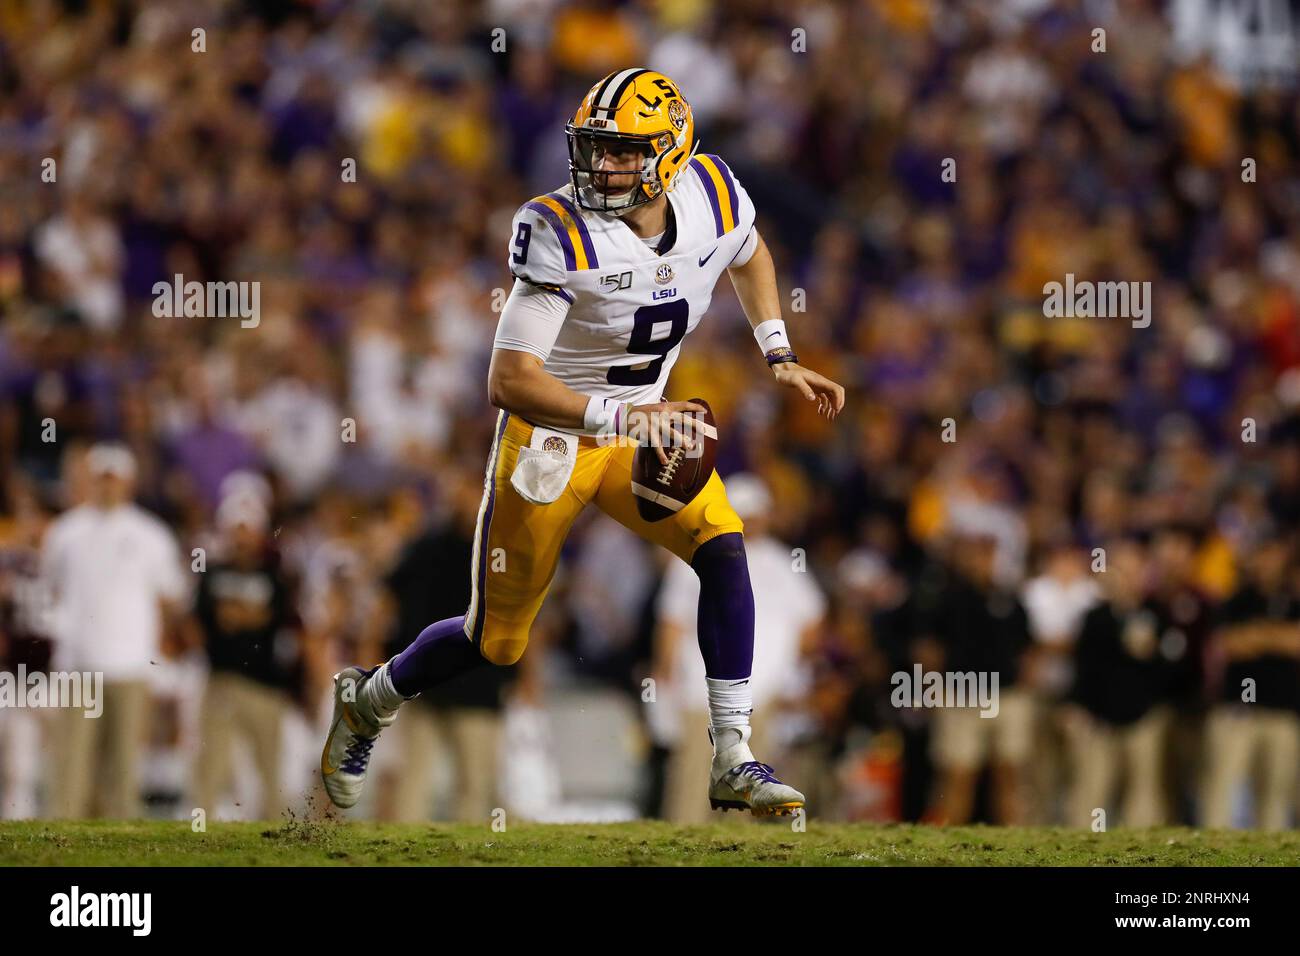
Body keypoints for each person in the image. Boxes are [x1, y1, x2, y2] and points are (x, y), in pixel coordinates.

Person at [320, 69, 844, 817]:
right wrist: (621, 418)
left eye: (622, 153)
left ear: (670, 154)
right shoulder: (560, 231)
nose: (601, 167)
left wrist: (778, 351)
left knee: (725, 548)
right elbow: (508, 382)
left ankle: (733, 753)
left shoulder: (714, 195)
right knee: (495, 642)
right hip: (552, 438)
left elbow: (749, 251)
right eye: (595, 149)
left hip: (641, 422)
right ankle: (370, 699)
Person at [653, 473, 827, 822]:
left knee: (748, 791)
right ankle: (680, 856)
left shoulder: (783, 565)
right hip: (702, 693)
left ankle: (734, 855)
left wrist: (789, 677)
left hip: (759, 696)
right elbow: (672, 623)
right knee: (692, 784)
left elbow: (812, 629)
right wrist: (664, 677)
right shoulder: (693, 557)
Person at [40, 443, 187, 818]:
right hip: (79, 666)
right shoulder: (65, 532)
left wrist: (158, 653)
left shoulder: (151, 535)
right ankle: (63, 850)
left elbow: (170, 600)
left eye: (114, 479)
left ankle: (119, 854)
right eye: (101, 478)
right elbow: (51, 590)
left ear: (128, 482)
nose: (107, 486)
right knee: (71, 769)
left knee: (123, 770)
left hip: (130, 666)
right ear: (90, 480)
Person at [191, 494, 299, 819]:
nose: (242, 536)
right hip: (221, 679)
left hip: (264, 684)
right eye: (236, 529)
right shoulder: (211, 573)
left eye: (247, 529)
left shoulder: (276, 576)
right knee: (211, 763)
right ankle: (203, 826)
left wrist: (241, 615)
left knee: (269, 765)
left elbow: (273, 618)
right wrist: (246, 615)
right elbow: (200, 620)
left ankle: (274, 829)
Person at [1202, 537, 1300, 830]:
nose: (1268, 563)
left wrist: (1257, 634)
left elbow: (1296, 643)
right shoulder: (1236, 599)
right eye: (1263, 555)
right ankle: (1212, 853)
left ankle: (1269, 858)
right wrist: (1276, 637)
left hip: (1282, 710)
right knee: (1223, 783)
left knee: (1276, 792)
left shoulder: (1293, 601)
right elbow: (1226, 644)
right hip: (1238, 710)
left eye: (1274, 556)